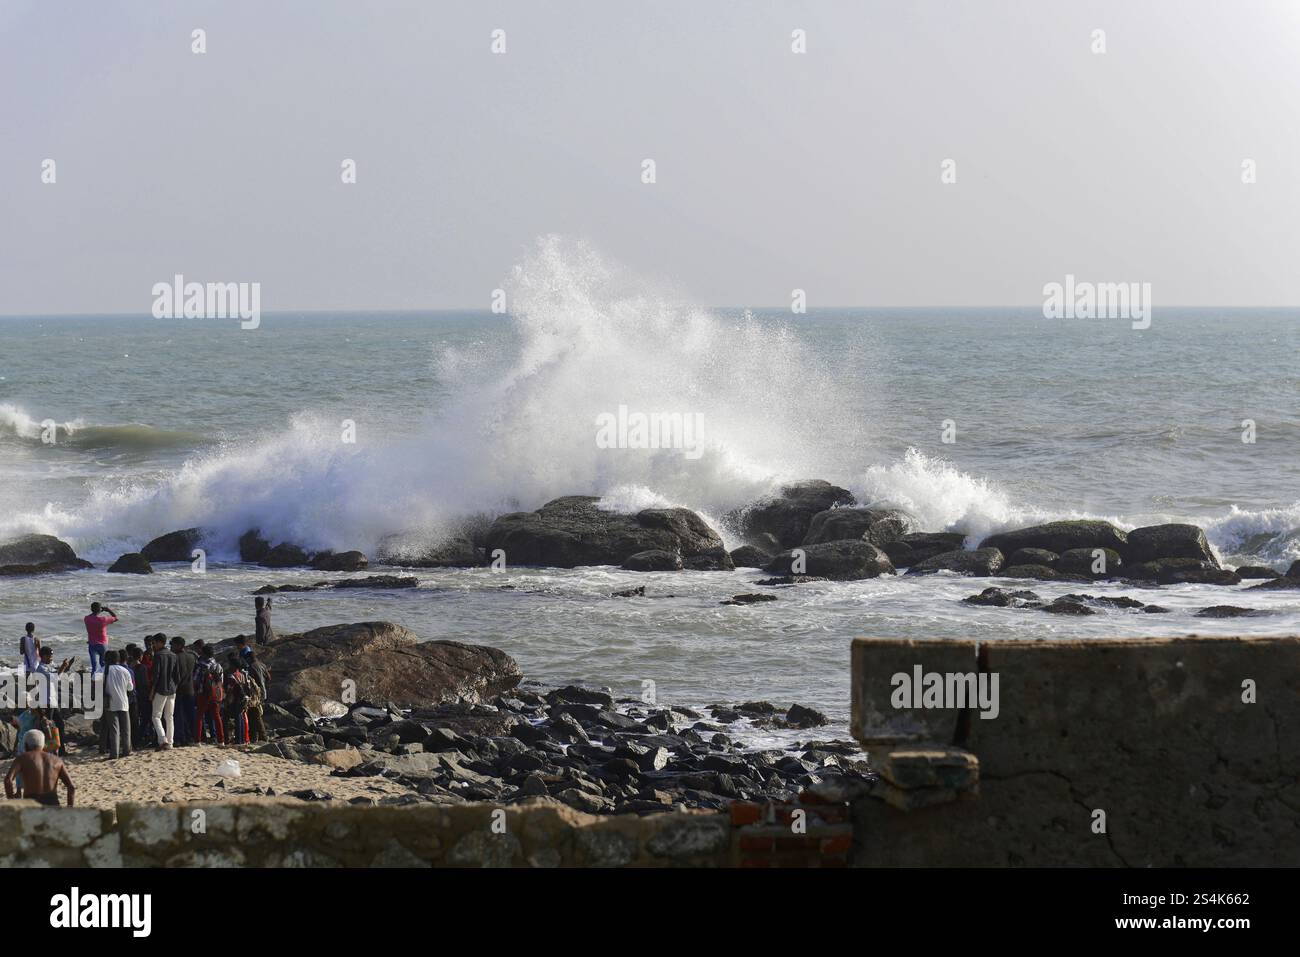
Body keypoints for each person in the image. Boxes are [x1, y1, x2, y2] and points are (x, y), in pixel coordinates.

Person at [4, 730, 75, 805]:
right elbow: (71, 787)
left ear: (26, 745)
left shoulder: (22, 759)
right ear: (43, 745)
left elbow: (8, 781)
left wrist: (11, 799)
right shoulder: (57, 760)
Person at [149, 634, 181, 750]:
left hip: (160, 689)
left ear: (160, 643)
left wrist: (152, 691)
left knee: (156, 716)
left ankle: (162, 740)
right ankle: (170, 741)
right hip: (172, 690)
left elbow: (156, 675)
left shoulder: (158, 656)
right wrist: (175, 686)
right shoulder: (173, 655)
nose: (153, 645)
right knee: (169, 717)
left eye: (154, 643)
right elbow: (177, 675)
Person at [103, 650, 135, 759]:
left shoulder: (103, 670)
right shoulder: (125, 671)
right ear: (118, 659)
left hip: (110, 703)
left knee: (114, 730)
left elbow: (95, 681)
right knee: (126, 729)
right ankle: (127, 750)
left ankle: (114, 753)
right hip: (124, 702)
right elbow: (130, 688)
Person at [170, 636, 199, 746]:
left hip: (179, 690)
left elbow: (176, 676)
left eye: (172, 644)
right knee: (191, 715)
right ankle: (192, 737)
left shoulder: (175, 657)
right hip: (190, 689)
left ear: (178, 645)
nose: (171, 646)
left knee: (178, 715)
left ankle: (179, 739)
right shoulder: (191, 657)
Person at [223, 655, 251, 745]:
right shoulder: (242, 675)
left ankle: (236, 740)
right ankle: (241, 739)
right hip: (243, 699)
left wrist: (226, 701)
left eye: (230, 664)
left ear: (233, 665)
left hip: (234, 699)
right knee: (241, 718)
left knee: (234, 718)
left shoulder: (231, 676)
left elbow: (229, 689)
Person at [83, 602, 118, 676]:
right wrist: (108, 610)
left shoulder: (86, 619)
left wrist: (96, 611)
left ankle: (94, 683)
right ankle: (104, 680)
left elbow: (91, 616)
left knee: (94, 666)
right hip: (103, 644)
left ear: (91, 609)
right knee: (103, 664)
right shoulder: (103, 619)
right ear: (100, 609)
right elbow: (116, 618)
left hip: (92, 644)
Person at [127, 644, 152, 749]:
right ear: (141, 656)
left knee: (134, 719)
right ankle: (141, 738)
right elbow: (144, 683)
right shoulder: (142, 668)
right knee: (145, 718)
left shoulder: (129, 668)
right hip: (142, 696)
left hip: (132, 696)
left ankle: (134, 740)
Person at [244, 650, 268, 743]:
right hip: (263, 692)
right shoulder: (262, 665)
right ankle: (256, 736)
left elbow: (252, 681)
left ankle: (261, 736)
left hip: (256, 694)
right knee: (256, 714)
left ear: (249, 659)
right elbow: (268, 677)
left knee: (255, 715)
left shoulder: (251, 667)